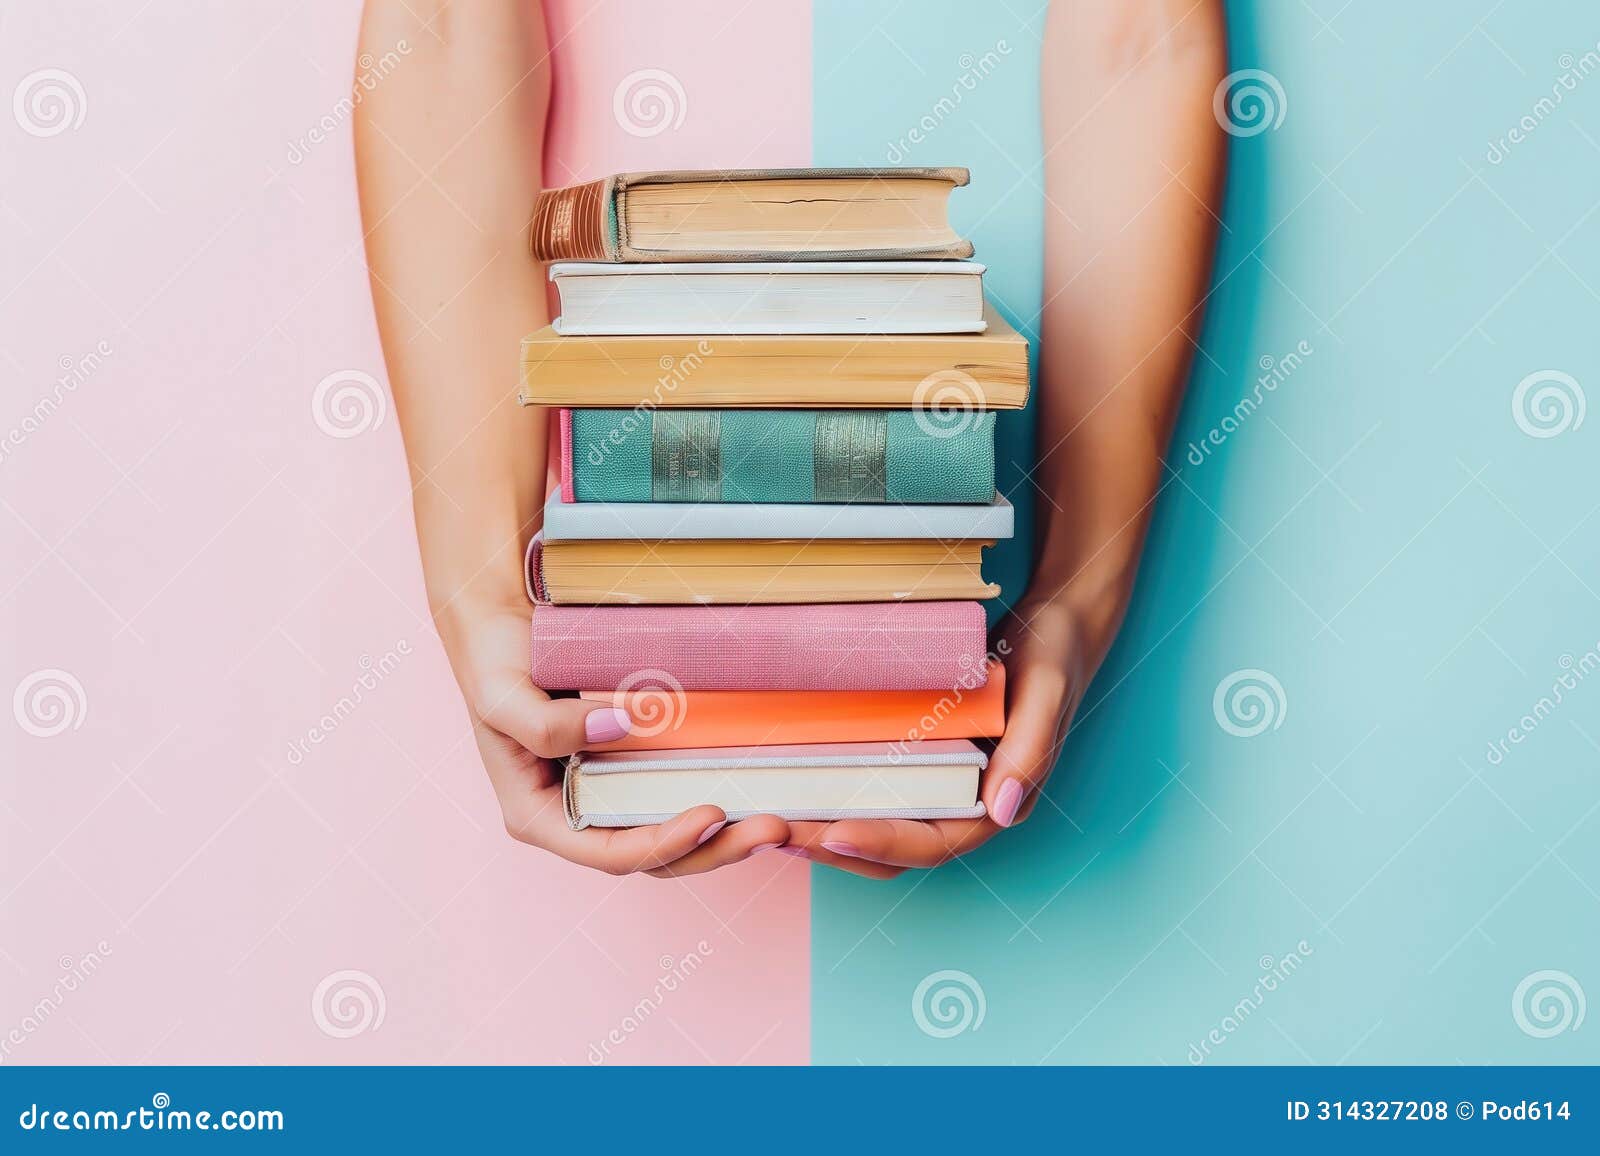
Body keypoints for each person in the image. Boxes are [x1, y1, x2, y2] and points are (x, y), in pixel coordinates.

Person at [353, 0, 1227, 879]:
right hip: (592, 663)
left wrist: (1080, 591)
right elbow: (441, 28)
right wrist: (483, 593)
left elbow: (1140, 35)